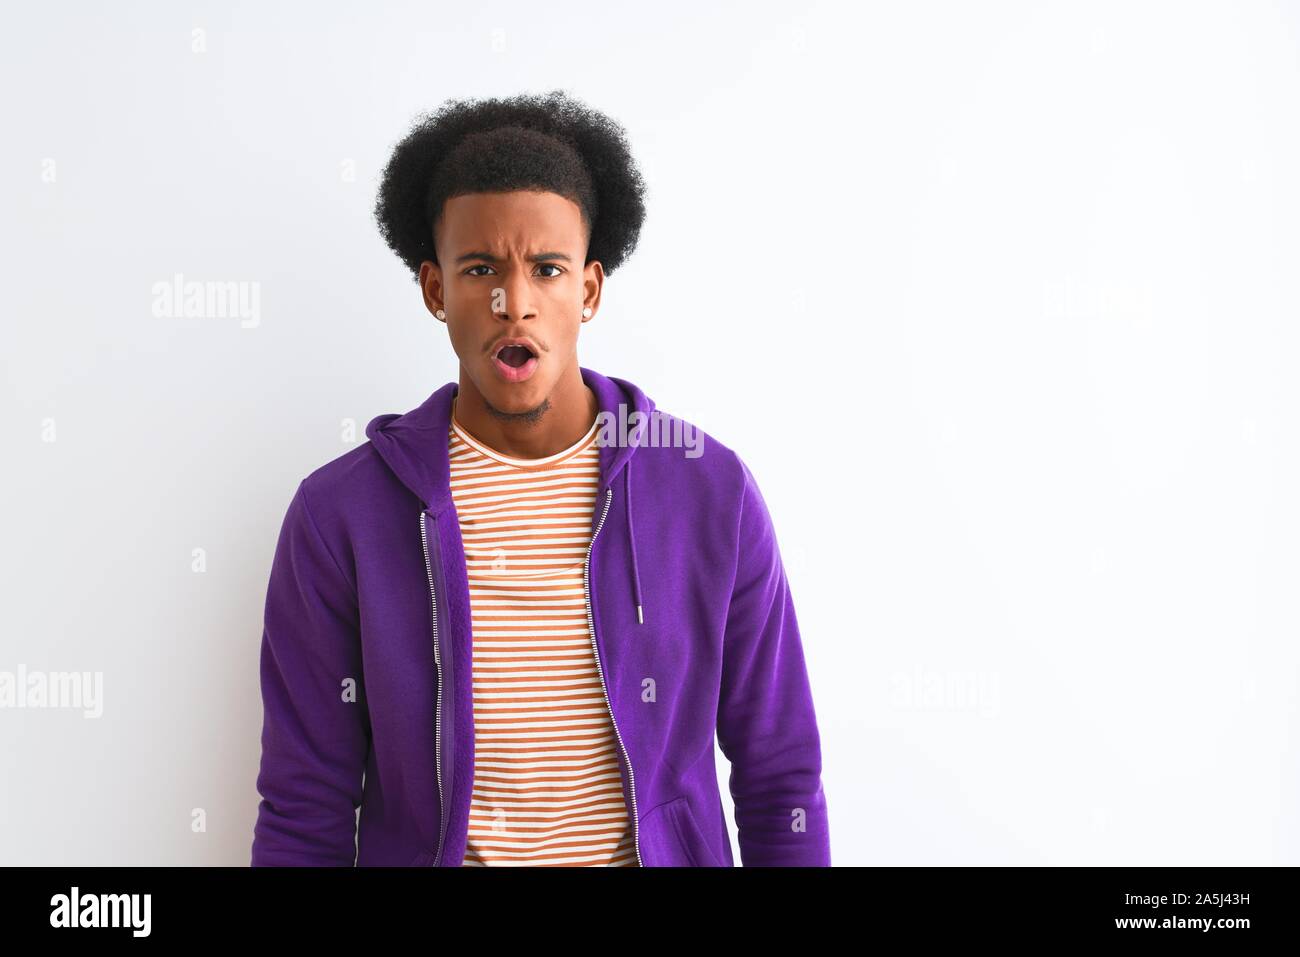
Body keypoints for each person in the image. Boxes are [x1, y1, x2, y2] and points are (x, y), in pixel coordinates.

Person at [250, 89, 830, 867]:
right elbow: (306, 802)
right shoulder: (341, 516)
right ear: (436, 290)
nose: (512, 302)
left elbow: (779, 773)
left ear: (587, 290)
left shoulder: (709, 494)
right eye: (480, 268)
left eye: (547, 269)